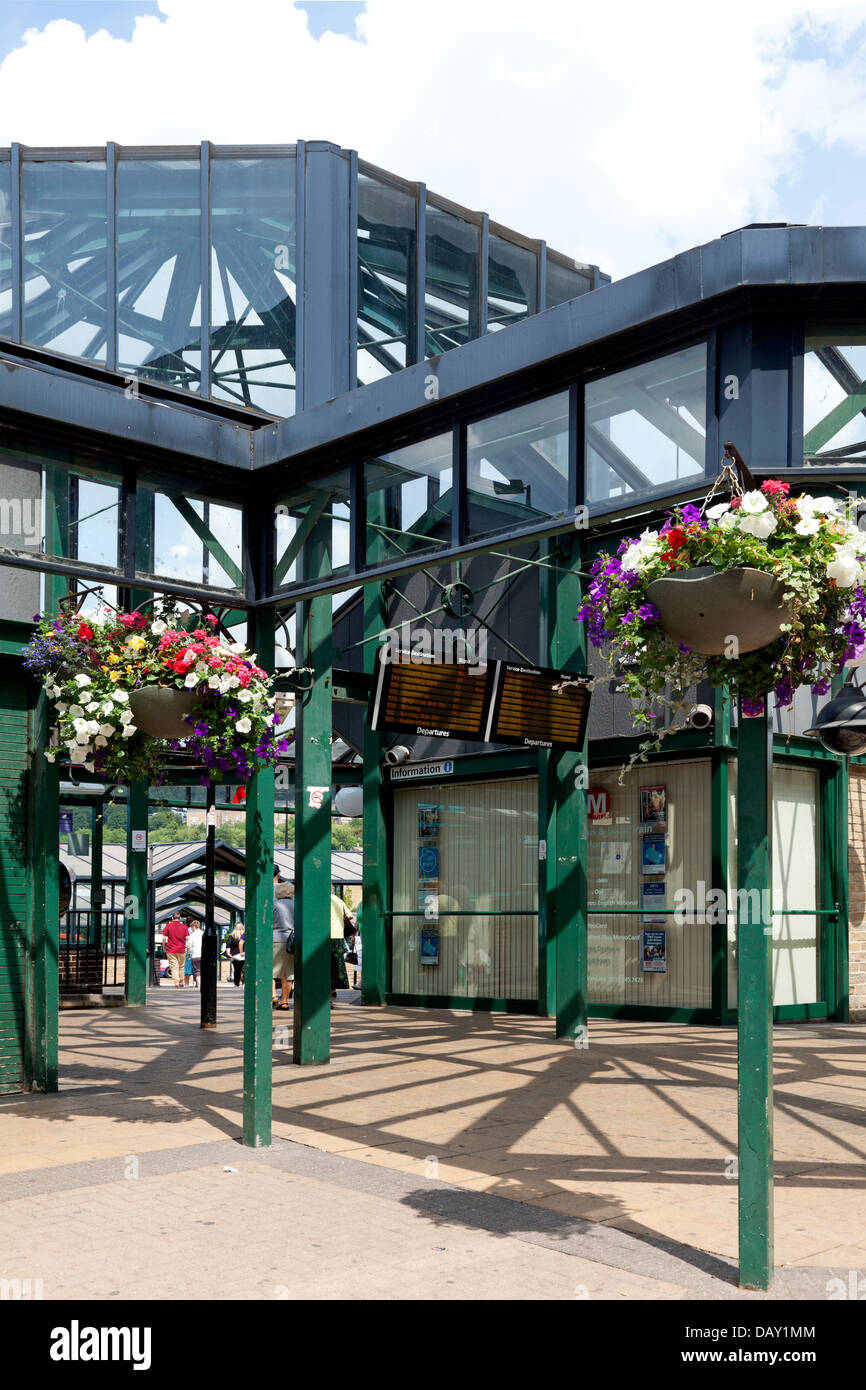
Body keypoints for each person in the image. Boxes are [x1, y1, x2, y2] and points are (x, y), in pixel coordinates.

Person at [273, 865, 295, 1010]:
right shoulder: (297, 905)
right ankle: (285, 1001)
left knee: (270, 970)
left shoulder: (275, 905)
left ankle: (274, 995)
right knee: (288, 973)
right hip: (291, 941)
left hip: (275, 939)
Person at [329, 892, 356, 1002]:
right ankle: (329, 996)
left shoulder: (318, 898)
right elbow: (350, 915)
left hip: (323, 937)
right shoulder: (337, 900)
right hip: (338, 936)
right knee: (336, 967)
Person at [163, 913, 191, 989]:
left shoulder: (168, 926)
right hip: (181, 950)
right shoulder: (184, 927)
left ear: (172, 918)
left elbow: (164, 938)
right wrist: (188, 950)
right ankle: (181, 982)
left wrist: (164, 947)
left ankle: (176, 982)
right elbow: (188, 940)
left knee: (174, 967)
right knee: (181, 966)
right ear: (180, 918)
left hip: (171, 950)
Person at [187, 917, 204, 987]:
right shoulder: (203, 934)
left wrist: (188, 954)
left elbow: (189, 946)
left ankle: (199, 985)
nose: (191, 929)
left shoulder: (192, 935)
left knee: (197, 971)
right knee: (203, 970)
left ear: (194, 927)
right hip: (203, 955)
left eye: (191, 927)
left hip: (195, 955)